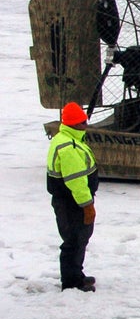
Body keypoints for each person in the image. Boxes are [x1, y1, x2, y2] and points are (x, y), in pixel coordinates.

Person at [46, 102, 99, 292]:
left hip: (69, 201)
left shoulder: (66, 138)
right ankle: (72, 283)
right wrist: (87, 205)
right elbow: (76, 181)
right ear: (74, 124)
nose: (86, 125)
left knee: (78, 239)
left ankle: (76, 275)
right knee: (75, 240)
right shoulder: (69, 147)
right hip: (73, 202)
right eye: (82, 122)